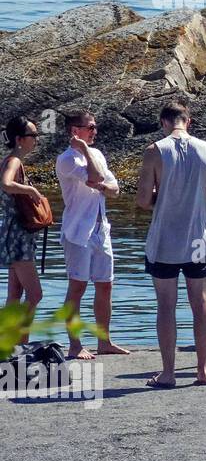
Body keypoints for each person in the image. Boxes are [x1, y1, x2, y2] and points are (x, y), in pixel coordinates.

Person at [136, 99, 206, 388]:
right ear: (188, 122)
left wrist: (165, 198)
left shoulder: (154, 151)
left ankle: (168, 373)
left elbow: (142, 200)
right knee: (200, 301)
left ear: (164, 123)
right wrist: (198, 196)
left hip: (164, 240)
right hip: (198, 240)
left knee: (166, 305)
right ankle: (203, 370)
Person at [55, 110, 129, 359]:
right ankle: (75, 344)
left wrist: (102, 184)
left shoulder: (97, 154)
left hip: (101, 229)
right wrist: (85, 150)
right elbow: (95, 177)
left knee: (105, 285)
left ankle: (104, 341)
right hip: (78, 231)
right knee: (77, 287)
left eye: (95, 127)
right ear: (75, 131)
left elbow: (115, 189)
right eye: (90, 127)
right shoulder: (67, 159)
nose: (95, 131)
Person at [0, 116, 44, 334]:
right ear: (19, 139)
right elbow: (6, 184)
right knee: (35, 295)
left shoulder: (12, 160)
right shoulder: (14, 161)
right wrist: (31, 190)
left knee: (15, 294)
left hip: (13, 233)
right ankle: (19, 341)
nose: (36, 139)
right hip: (18, 235)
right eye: (32, 135)